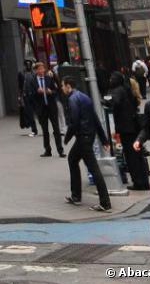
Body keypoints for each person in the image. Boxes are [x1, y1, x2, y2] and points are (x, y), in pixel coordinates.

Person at [60, 78, 111, 211]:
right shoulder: (84, 97)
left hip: (83, 137)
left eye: (63, 86)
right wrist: (103, 139)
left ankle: (104, 202)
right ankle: (76, 195)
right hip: (88, 135)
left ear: (68, 86)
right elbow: (94, 118)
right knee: (72, 159)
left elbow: (74, 122)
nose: (62, 88)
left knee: (93, 168)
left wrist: (67, 137)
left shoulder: (72, 100)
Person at [108, 71, 148, 191]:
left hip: (126, 128)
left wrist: (106, 101)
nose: (110, 80)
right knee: (137, 155)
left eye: (112, 78)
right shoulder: (127, 89)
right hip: (133, 126)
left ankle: (138, 182)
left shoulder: (118, 90)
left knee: (131, 156)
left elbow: (113, 102)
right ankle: (143, 181)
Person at [29, 62, 64, 157]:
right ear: (36, 70)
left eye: (42, 69)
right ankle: (47, 150)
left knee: (56, 129)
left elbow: (57, 91)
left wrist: (50, 92)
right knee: (45, 130)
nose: (41, 71)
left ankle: (60, 150)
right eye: (39, 69)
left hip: (51, 107)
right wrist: (37, 92)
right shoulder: (32, 81)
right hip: (41, 109)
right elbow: (30, 95)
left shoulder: (49, 78)